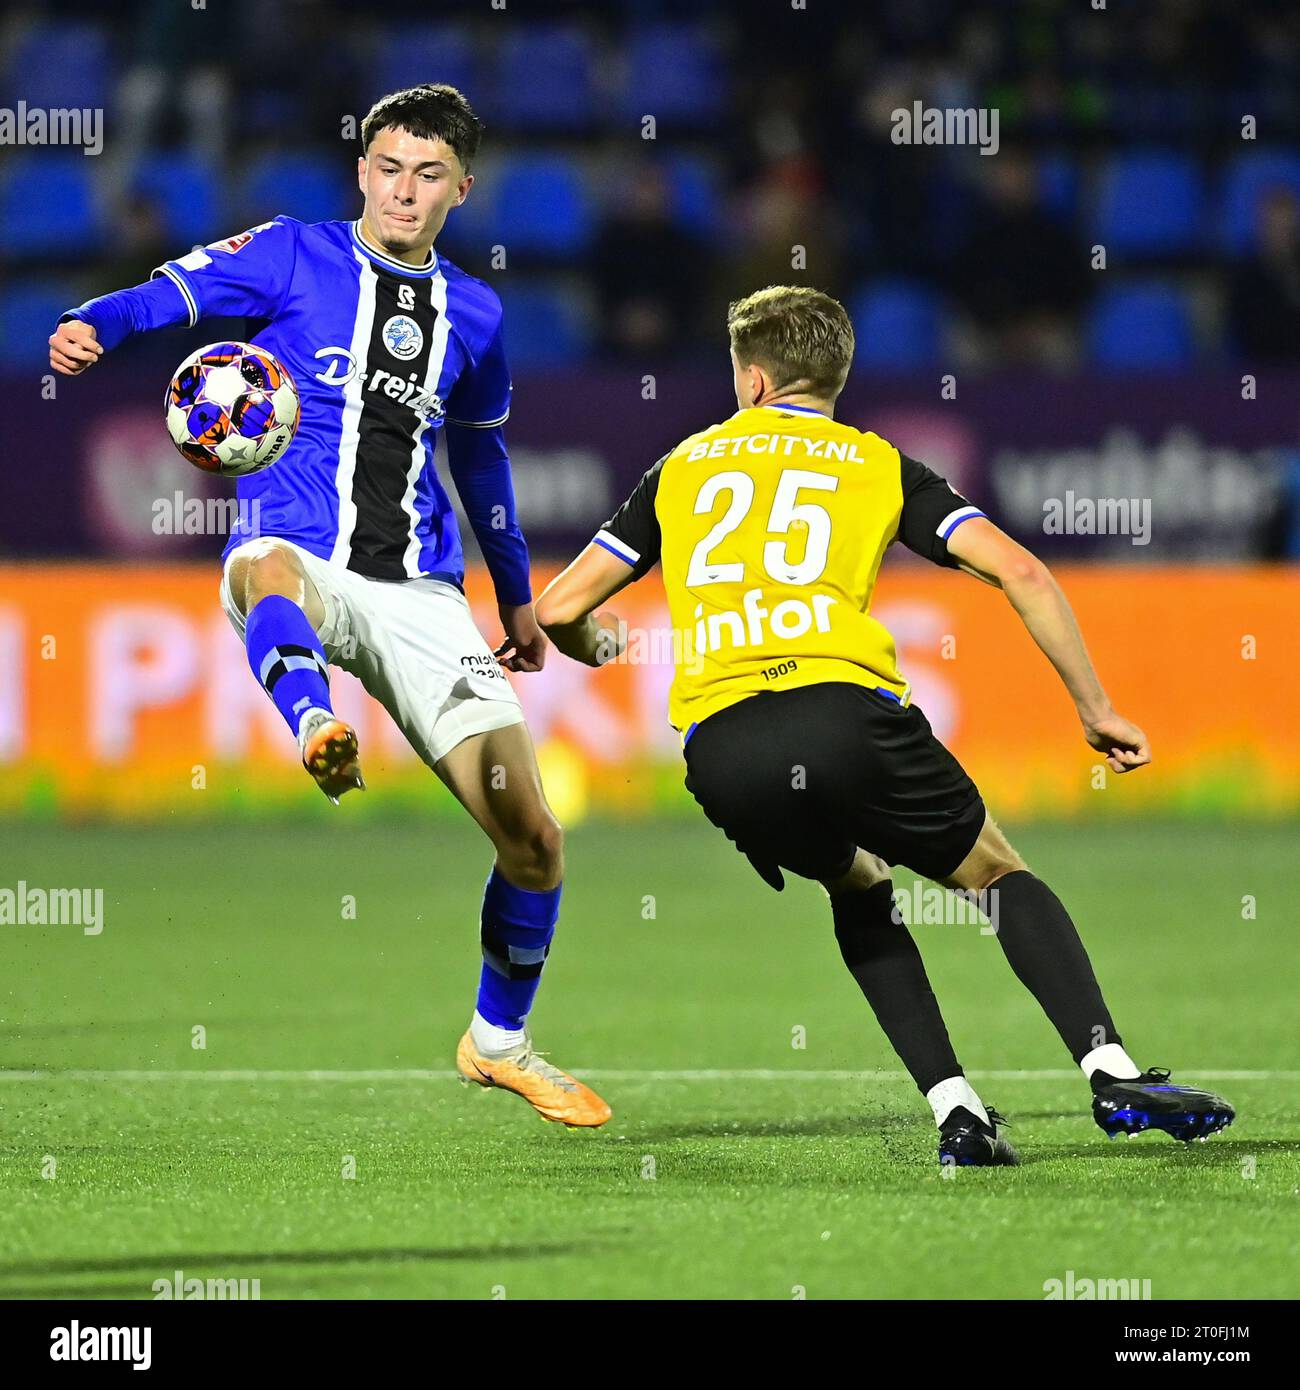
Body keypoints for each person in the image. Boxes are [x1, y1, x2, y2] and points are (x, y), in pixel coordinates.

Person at [532, 284, 1233, 1164]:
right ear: (836, 376)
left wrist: (597, 644)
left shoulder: (682, 466)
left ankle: (957, 1114)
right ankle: (1110, 1068)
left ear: (750, 380)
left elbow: (557, 607)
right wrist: (1096, 709)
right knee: (996, 874)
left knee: (859, 884)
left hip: (724, 749)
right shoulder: (876, 463)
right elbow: (1020, 571)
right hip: (842, 712)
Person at [48, 84, 610, 1130]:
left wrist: (521, 597)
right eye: (389, 167)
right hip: (298, 550)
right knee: (264, 567)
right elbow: (169, 299)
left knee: (534, 837)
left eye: (428, 174)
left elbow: (480, 457)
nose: (404, 190)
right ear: (362, 170)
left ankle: (498, 1042)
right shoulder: (293, 251)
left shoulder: (474, 315)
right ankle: (315, 723)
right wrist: (93, 321)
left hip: (421, 591)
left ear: (461, 189)